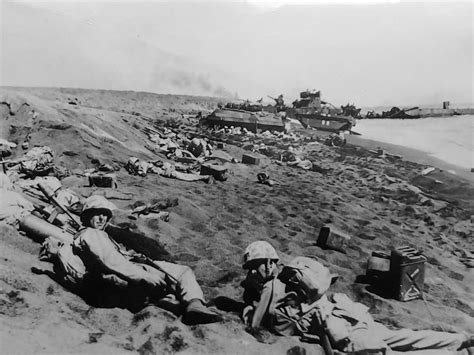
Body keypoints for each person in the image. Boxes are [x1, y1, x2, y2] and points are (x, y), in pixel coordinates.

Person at [240, 240, 473, 354]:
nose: (253, 272)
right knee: (399, 337)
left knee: (386, 350)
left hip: (337, 328)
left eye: (256, 266)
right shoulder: (291, 277)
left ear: (271, 263)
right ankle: (461, 340)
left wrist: (249, 307)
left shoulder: (272, 285)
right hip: (345, 314)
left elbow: (255, 323)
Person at [70, 195, 222, 325]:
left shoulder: (100, 233)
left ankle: (193, 304)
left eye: (105, 214)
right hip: (127, 273)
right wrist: (144, 276)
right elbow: (110, 260)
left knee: (183, 272)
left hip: (132, 266)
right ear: (87, 216)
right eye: (97, 214)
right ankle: (190, 304)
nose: (102, 218)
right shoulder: (91, 234)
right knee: (176, 276)